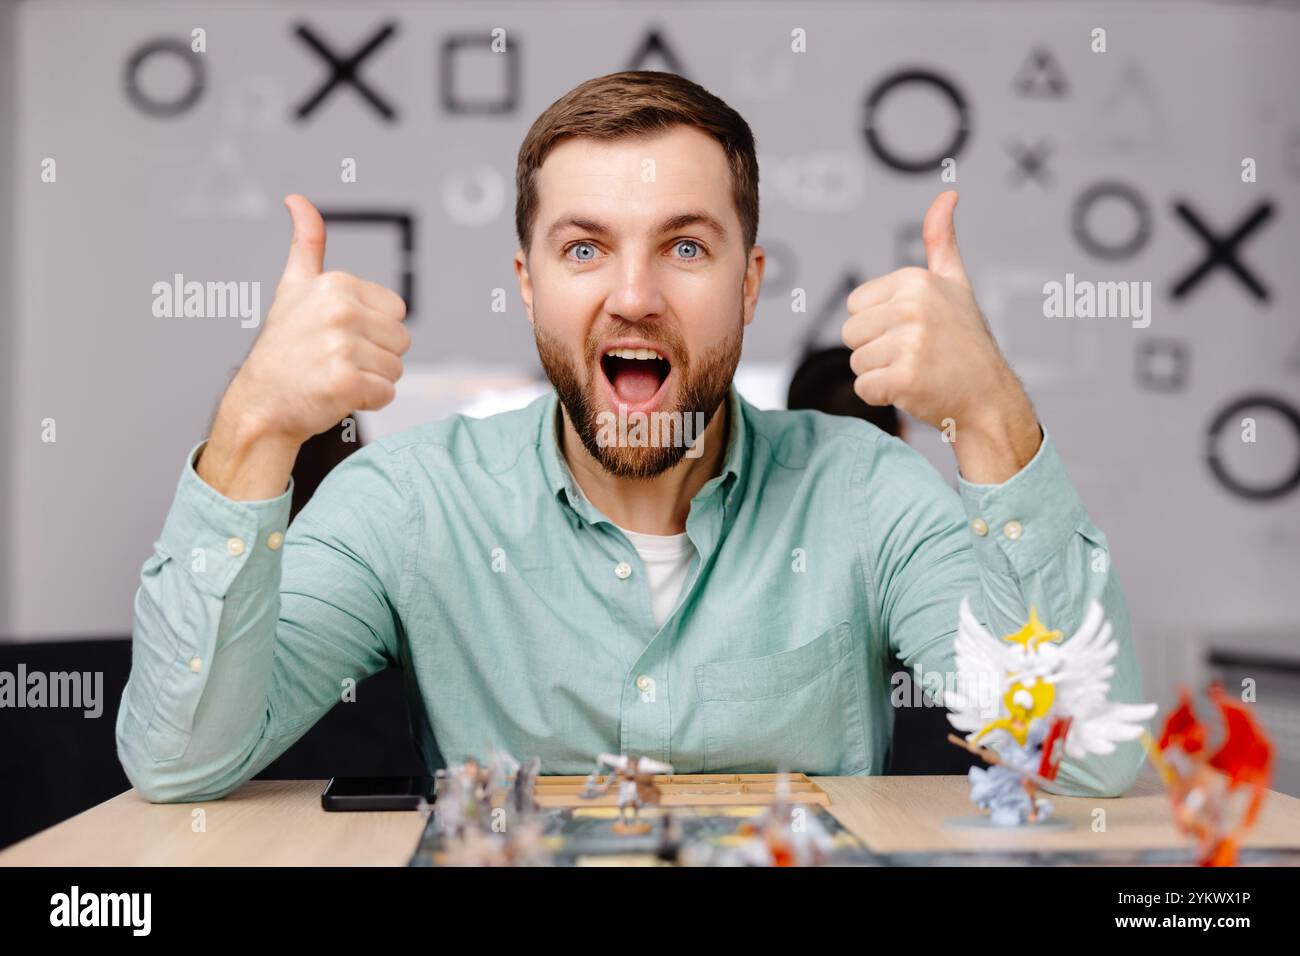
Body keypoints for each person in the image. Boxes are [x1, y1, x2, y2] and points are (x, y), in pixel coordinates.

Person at [117, 71, 1147, 802]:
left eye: (686, 246)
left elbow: (1084, 758)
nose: (634, 295)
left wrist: (993, 416)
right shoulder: (411, 503)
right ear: (528, 287)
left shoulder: (865, 495)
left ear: (749, 283)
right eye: (584, 248)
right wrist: (253, 425)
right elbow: (178, 761)